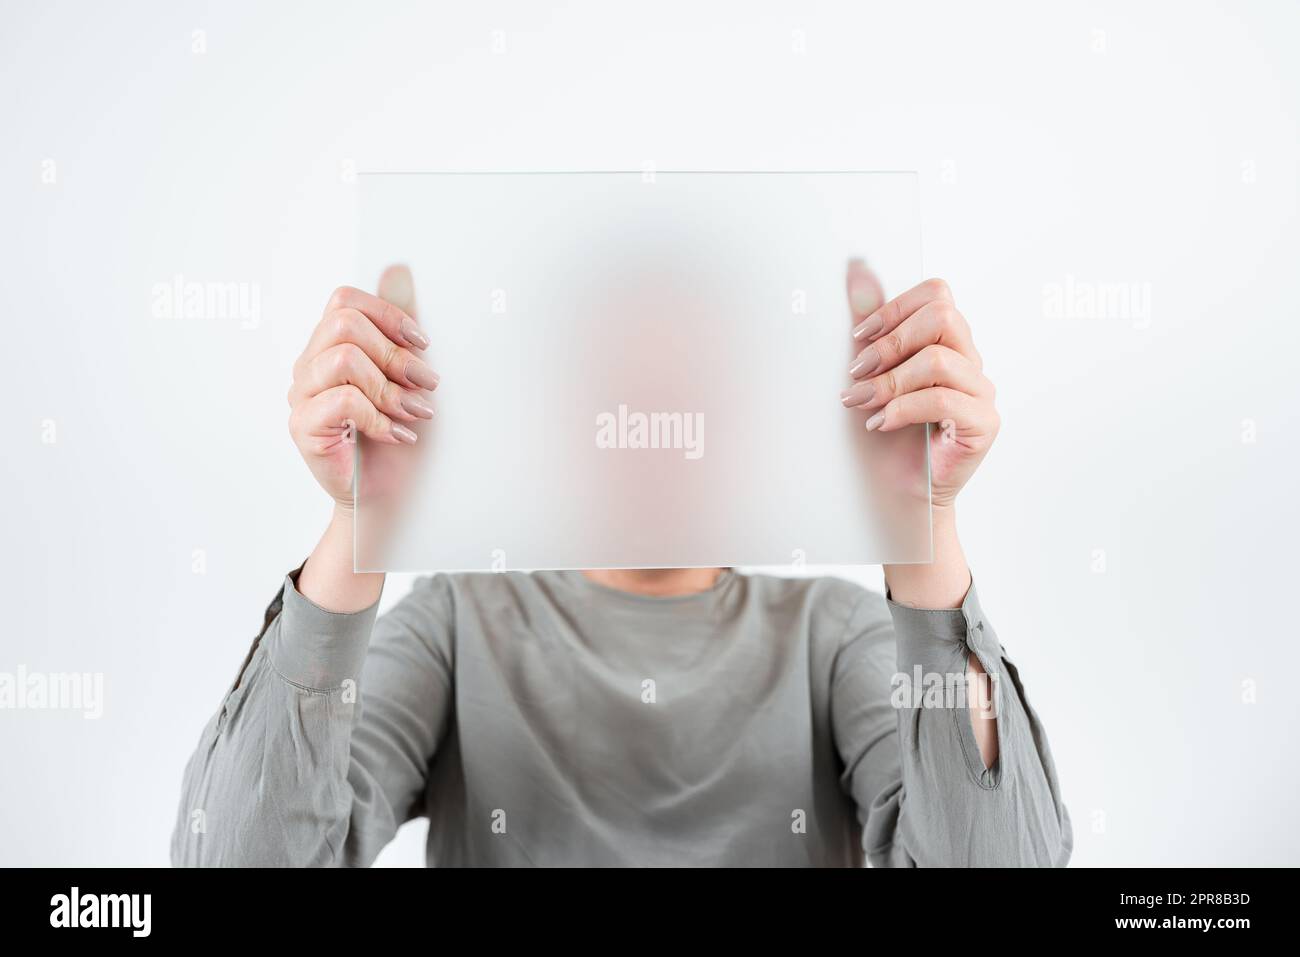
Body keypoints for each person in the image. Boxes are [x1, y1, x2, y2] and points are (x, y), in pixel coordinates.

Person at [170, 262, 1071, 867]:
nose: (655, 427)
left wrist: (922, 526)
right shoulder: (459, 620)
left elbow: (997, 858)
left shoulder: (828, 635)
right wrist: (357, 530)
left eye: (686, 393)